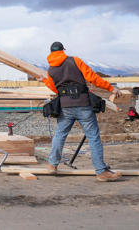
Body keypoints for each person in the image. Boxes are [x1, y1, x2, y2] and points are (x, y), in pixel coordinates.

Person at [43, 41, 122, 182]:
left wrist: (44, 80)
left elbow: (55, 89)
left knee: (60, 135)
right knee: (93, 137)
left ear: (51, 53)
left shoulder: (51, 69)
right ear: (63, 50)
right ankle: (101, 171)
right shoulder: (75, 61)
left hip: (65, 106)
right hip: (83, 105)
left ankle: (52, 165)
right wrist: (111, 88)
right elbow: (92, 78)